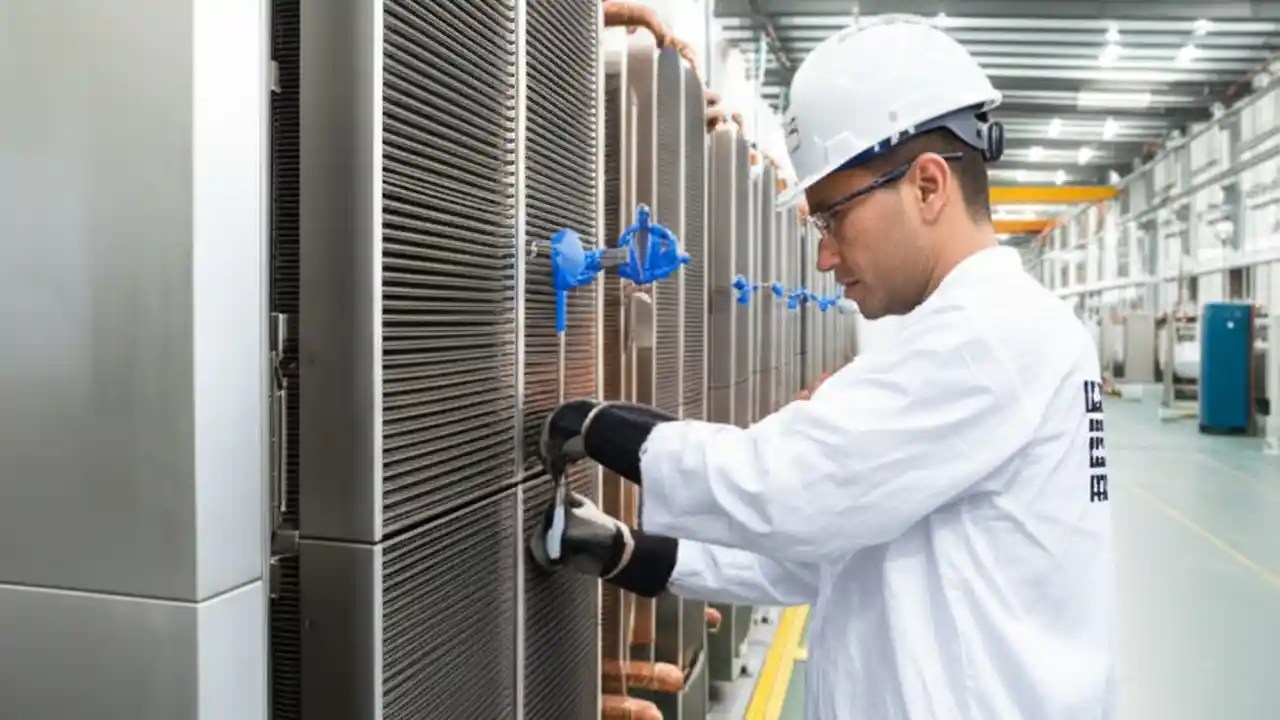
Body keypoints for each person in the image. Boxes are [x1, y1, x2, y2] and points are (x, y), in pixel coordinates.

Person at [530, 15, 1116, 720]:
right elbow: (833, 546)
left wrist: (594, 426)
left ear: (927, 186)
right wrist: (632, 552)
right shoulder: (995, 332)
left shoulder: (989, 337)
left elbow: (785, 488)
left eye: (833, 218)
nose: (824, 256)